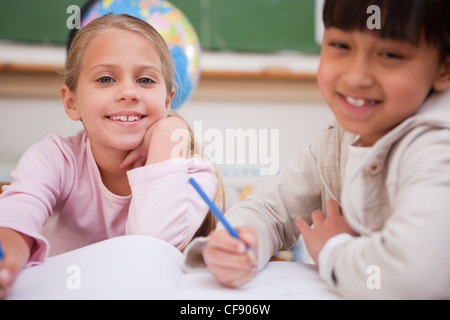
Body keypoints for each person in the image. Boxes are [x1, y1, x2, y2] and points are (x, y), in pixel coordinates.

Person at [184, 0, 450, 299]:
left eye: (389, 54)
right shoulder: (339, 137)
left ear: (444, 68)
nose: (355, 77)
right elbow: (272, 209)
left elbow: (412, 278)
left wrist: (332, 250)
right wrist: (242, 243)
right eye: (340, 45)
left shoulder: (439, 148)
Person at [0, 14, 222, 298]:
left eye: (145, 79)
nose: (129, 92)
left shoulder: (195, 173)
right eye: (106, 79)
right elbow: (19, 213)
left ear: (167, 101)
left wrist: (170, 130)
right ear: (71, 102)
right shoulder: (53, 159)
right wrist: (7, 251)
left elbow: (150, 247)